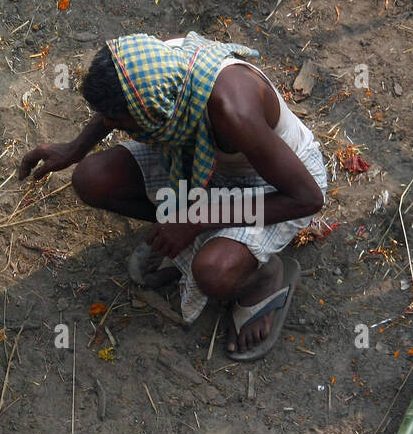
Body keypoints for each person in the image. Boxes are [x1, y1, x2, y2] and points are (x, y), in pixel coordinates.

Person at [19, 32, 326, 361]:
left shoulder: (232, 109)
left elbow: (307, 199)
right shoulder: (155, 65)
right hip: (200, 161)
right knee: (92, 179)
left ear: (152, 108)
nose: (112, 126)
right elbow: (119, 103)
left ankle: (261, 279)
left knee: (213, 272)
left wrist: (195, 220)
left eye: (119, 121)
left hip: (272, 185)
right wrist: (75, 149)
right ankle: (200, 240)